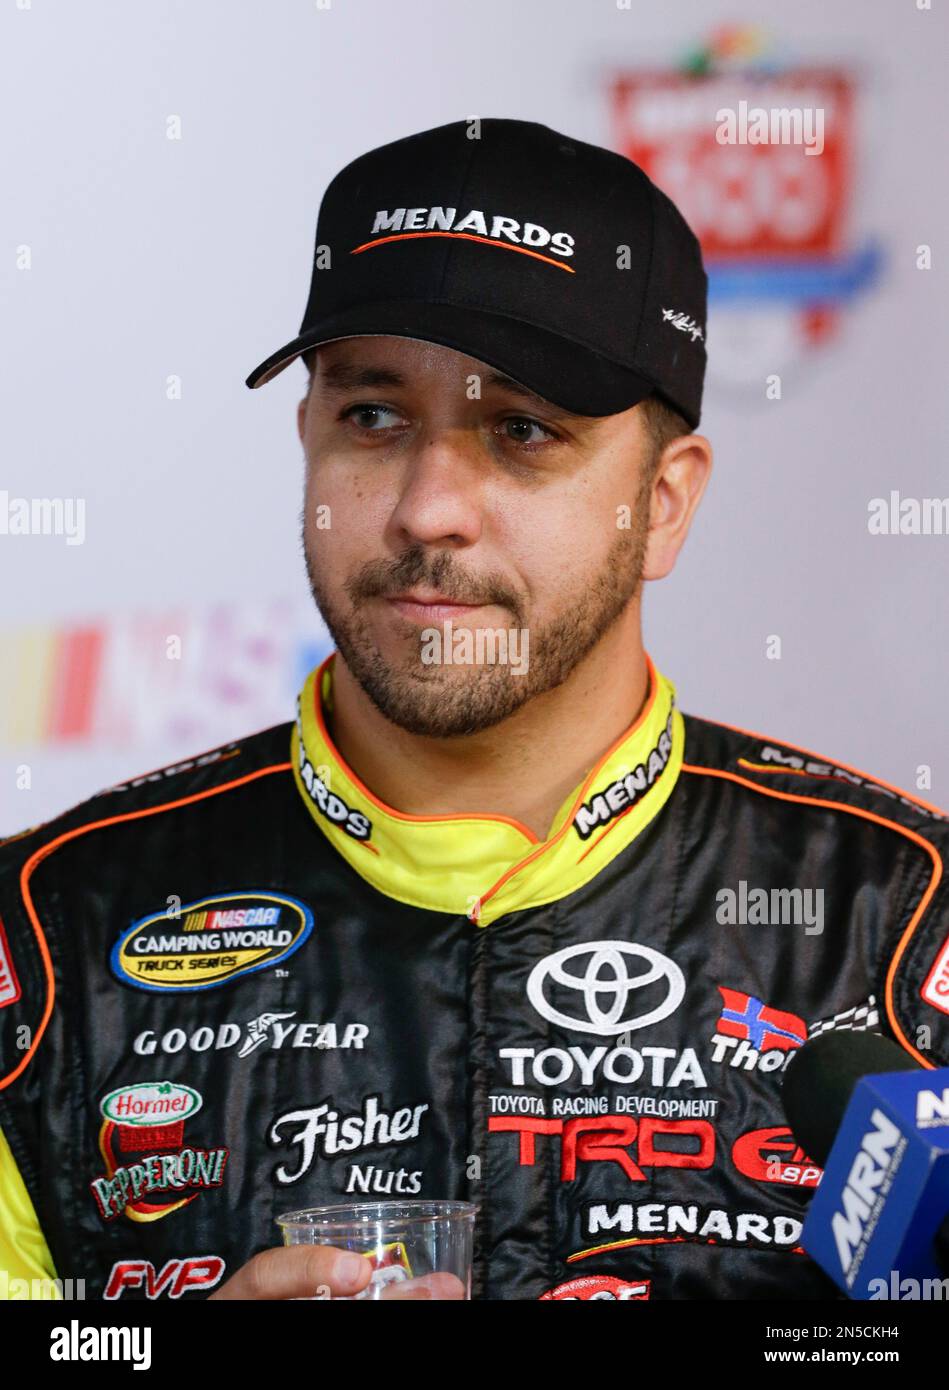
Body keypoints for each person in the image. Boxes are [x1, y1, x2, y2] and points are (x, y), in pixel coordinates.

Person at [1, 118, 947, 1303]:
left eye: (520, 430)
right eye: (374, 417)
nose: (427, 509)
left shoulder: (908, 920)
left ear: (659, 504)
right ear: (307, 438)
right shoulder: (37, 938)